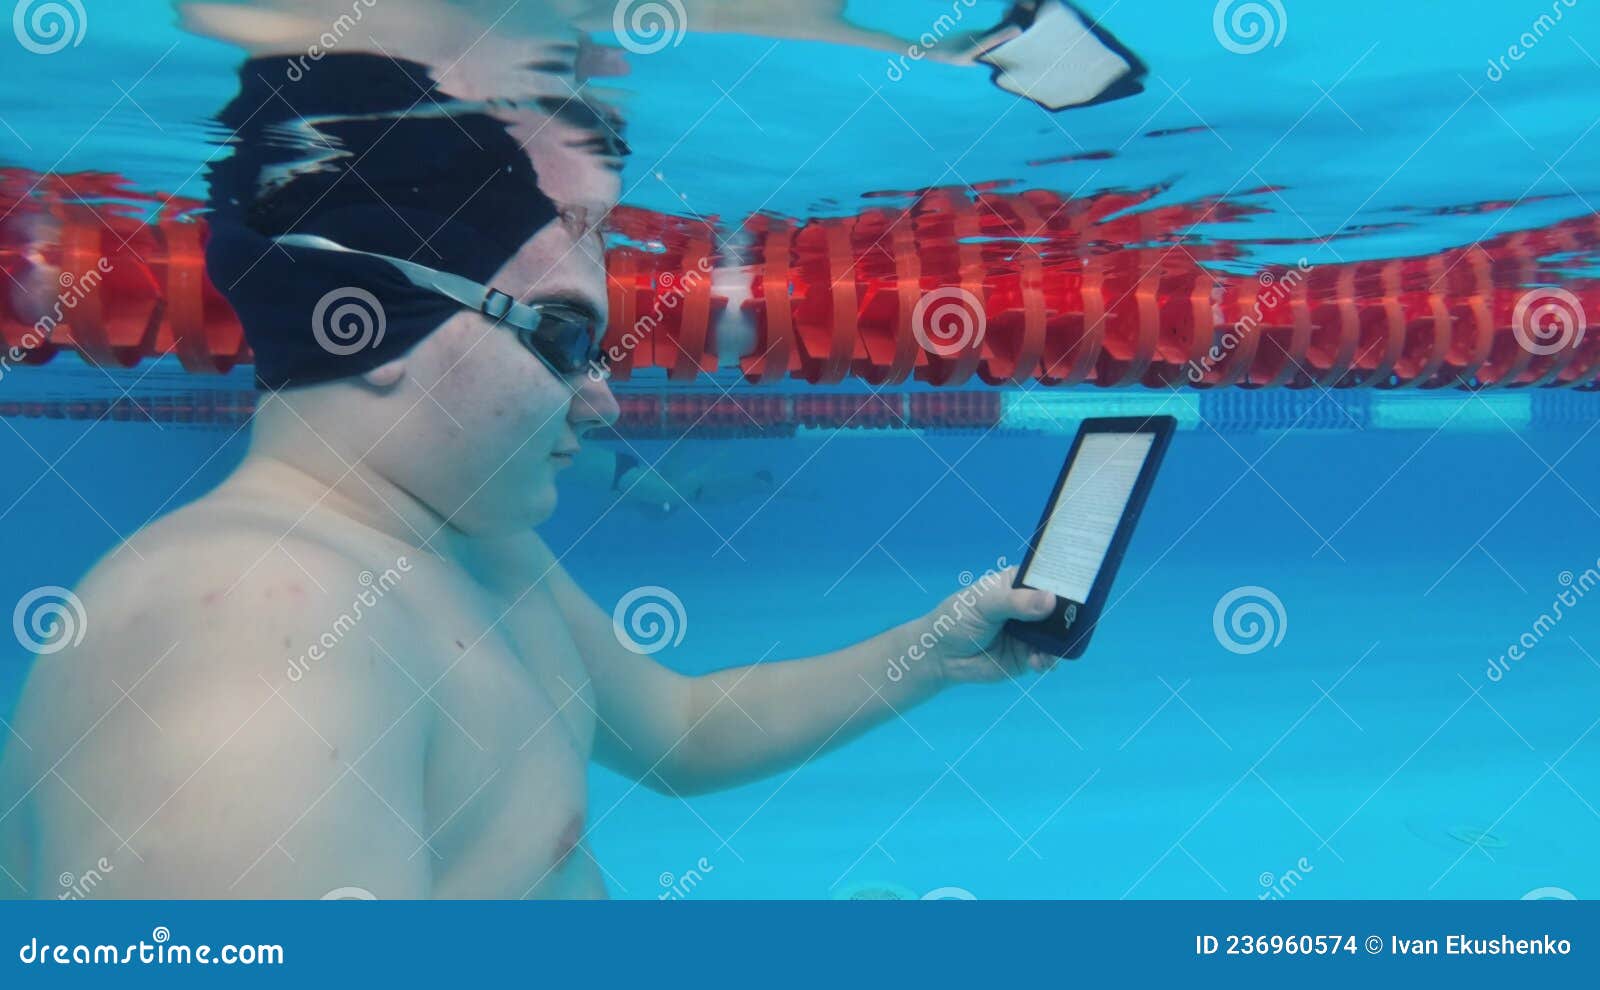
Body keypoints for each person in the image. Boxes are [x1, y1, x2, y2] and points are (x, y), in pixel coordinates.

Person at [0, 33, 1061, 902]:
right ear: (370, 322)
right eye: (562, 338)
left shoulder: (467, 549)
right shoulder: (246, 631)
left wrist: (932, 653)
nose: (603, 400)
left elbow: (681, 734)